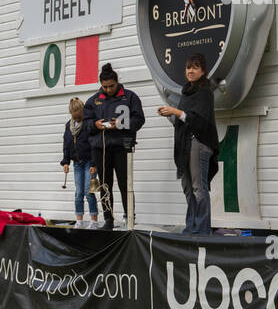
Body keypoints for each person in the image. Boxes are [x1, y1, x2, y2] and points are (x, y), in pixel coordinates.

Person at [157, 53, 220, 235]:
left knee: (198, 187)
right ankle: (192, 227)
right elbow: (185, 118)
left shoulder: (205, 92)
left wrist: (176, 111)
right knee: (187, 187)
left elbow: (200, 121)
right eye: (188, 67)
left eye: (195, 67)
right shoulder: (186, 92)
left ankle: (201, 229)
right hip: (186, 144)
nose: (190, 71)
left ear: (203, 71)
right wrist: (172, 114)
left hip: (199, 142)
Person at [85, 63, 145, 231]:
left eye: (111, 86)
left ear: (117, 82)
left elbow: (139, 119)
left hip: (122, 147)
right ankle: (108, 220)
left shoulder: (130, 97)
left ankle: (129, 219)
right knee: (105, 185)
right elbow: (85, 124)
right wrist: (95, 125)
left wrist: (120, 124)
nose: (109, 89)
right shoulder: (93, 101)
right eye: (105, 87)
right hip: (101, 149)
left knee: (126, 184)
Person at [61, 97, 96, 227]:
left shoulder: (88, 124)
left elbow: (94, 145)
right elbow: (66, 144)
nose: (77, 119)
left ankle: (94, 220)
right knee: (78, 193)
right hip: (77, 163)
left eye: (79, 117)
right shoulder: (68, 126)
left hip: (89, 163)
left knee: (89, 191)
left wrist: (94, 163)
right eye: (74, 117)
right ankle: (79, 220)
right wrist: (65, 161)